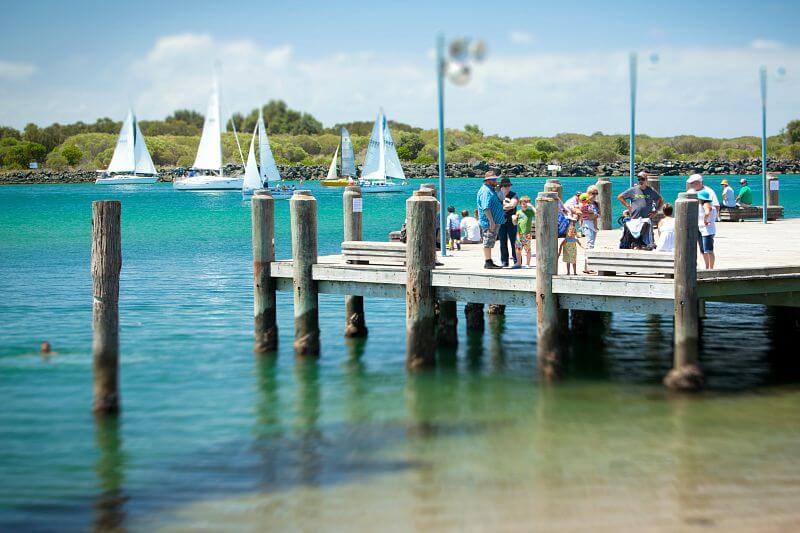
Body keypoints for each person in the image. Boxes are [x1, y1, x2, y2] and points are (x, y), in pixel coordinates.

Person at [617, 171, 663, 246]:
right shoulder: (633, 190)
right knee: (635, 237)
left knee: (648, 237)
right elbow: (620, 197)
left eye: (642, 179)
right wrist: (628, 206)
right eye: (639, 179)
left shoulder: (651, 190)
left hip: (647, 219)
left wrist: (656, 211)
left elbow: (660, 200)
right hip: (635, 218)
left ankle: (649, 245)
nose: (640, 181)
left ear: (646, 180)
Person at [476, 171, 505, 269]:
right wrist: (491, 221)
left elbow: (502, 199)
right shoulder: (485, 191)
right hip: (489, 222)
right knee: (488, 240)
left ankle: (489, 261)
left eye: (496, 179)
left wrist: (498, 190)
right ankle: (488, 261)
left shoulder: (492, 189)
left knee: (491, 241)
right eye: (493, 179)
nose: (496, 181)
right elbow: (485, 207)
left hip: (495, 220)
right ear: (488, 181)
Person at [496, 177, 519, 267]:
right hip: (501, 221)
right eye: (505, 186)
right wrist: (505, 205)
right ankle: (504, 261)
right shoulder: (498, 194)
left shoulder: (513, 194)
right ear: (501, 187)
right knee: (502, 242)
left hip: (512, 221)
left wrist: (502, 205)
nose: (507, 187)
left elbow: (512, 205)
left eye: (508, 186)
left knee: (514, 241)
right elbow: (495, 206)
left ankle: (516, 259)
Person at [513, 196, 535, 268]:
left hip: (527, 234)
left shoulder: (530, 212)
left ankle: (527, 264)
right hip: (519, 234)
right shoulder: (518, 212)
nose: (524, 205)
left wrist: (531, 206)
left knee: (528, 249)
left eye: (526, 203)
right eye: (523, 203)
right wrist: (514, 219)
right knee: (518, 249)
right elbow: (515, 223)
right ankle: (519, 263)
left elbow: (538, 213)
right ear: (520, 204)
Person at [697, 189, 717, 269]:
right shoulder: (706, 204)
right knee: (704, 250)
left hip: (707, 231)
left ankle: (711, 269)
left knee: (709, 250)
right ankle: (707, 267)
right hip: (702, 230)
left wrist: (705, 220)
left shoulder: (706, 204)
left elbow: (707, 212)